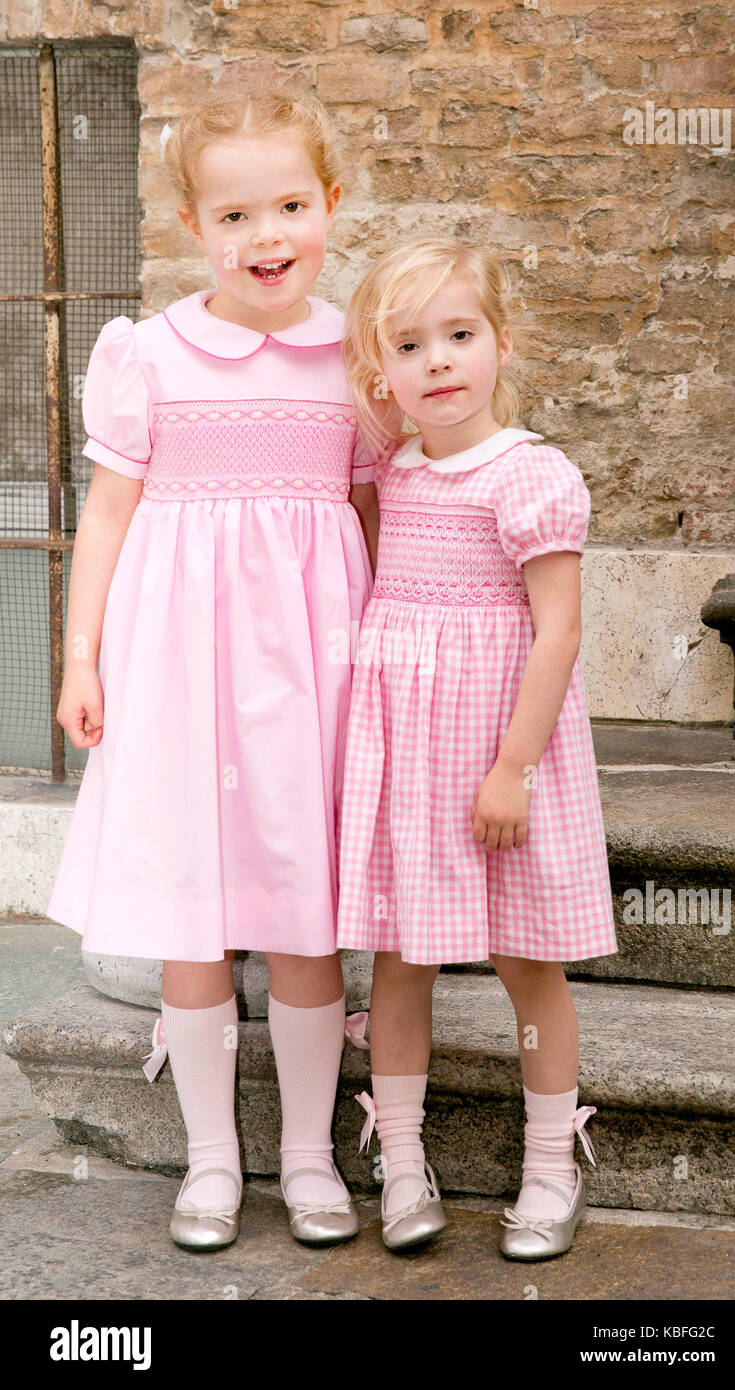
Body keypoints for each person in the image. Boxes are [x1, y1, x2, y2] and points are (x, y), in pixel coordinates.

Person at [46, 85, 388, 1252]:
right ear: (196, 225)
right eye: (236, 215)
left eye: (291, 205)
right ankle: (209, 1159)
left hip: (313, 677)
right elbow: (106, 516)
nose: (267, 236)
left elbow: (370, 515)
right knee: (194, 919)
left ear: (331, 205)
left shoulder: (355, 354)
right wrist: (81, 657)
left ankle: (306, 1157)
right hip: (180, 677)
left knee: (302, 917)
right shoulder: (149, 355)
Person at [336, 236, 619, 1258]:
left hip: (504, 756)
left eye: (460, 335)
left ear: (502, 343)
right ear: (382, 372)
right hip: (408, 758)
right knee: (401, 959)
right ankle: (402, 1158)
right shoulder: (392, 476)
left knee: (526, 959)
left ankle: (549, 1161)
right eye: (410, 345)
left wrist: (512, 768)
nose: (439, 361)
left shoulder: (530, 476)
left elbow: (560, 632)